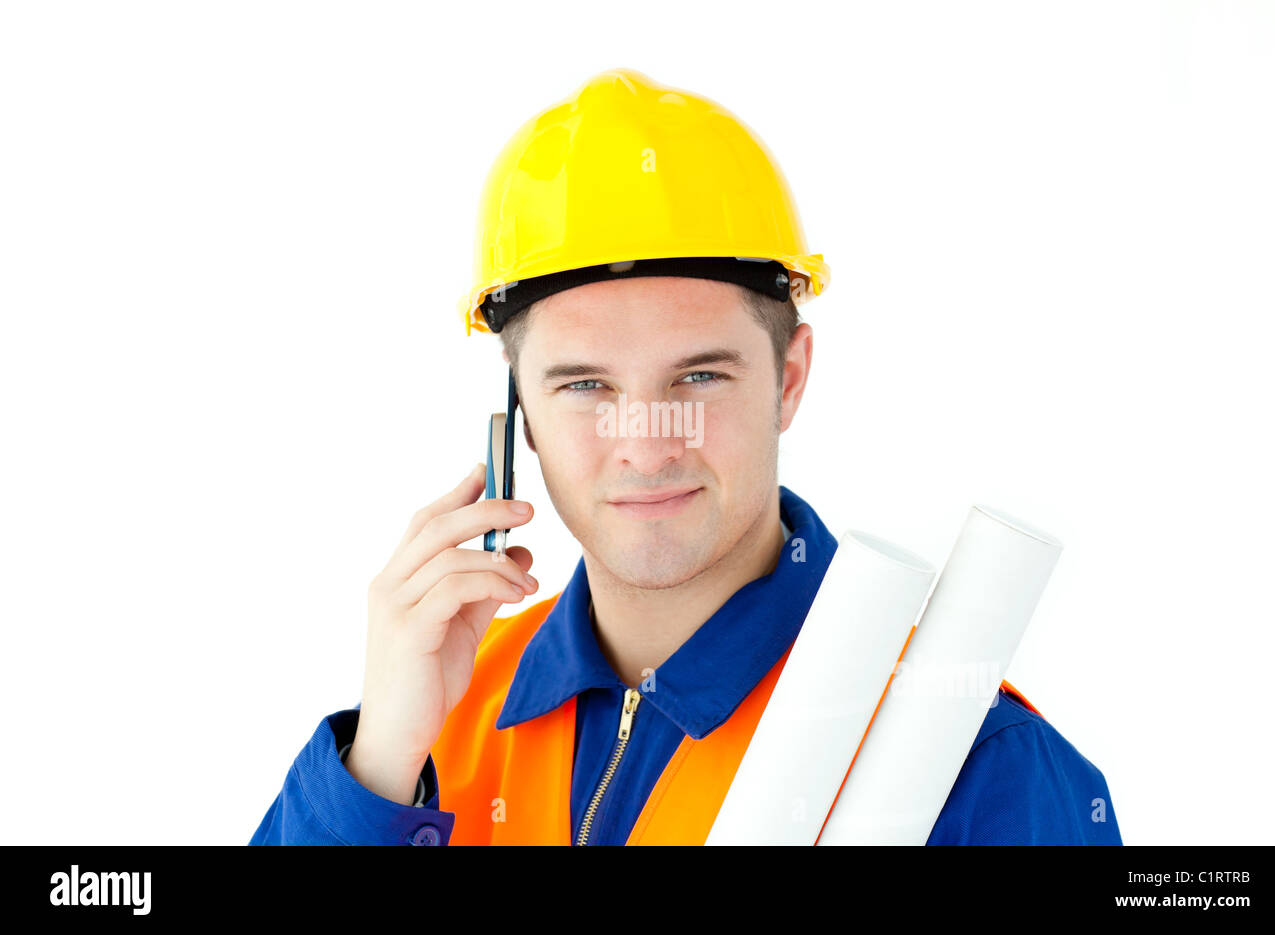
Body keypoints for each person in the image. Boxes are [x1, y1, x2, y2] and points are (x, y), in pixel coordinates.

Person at [249, 69, 1121, 846]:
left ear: (788, 377)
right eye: (586, 385)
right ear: (519, 413)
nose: (645, 442)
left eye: (698, 375)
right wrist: (374, 775)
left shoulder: (958, 752)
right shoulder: (438, 721)